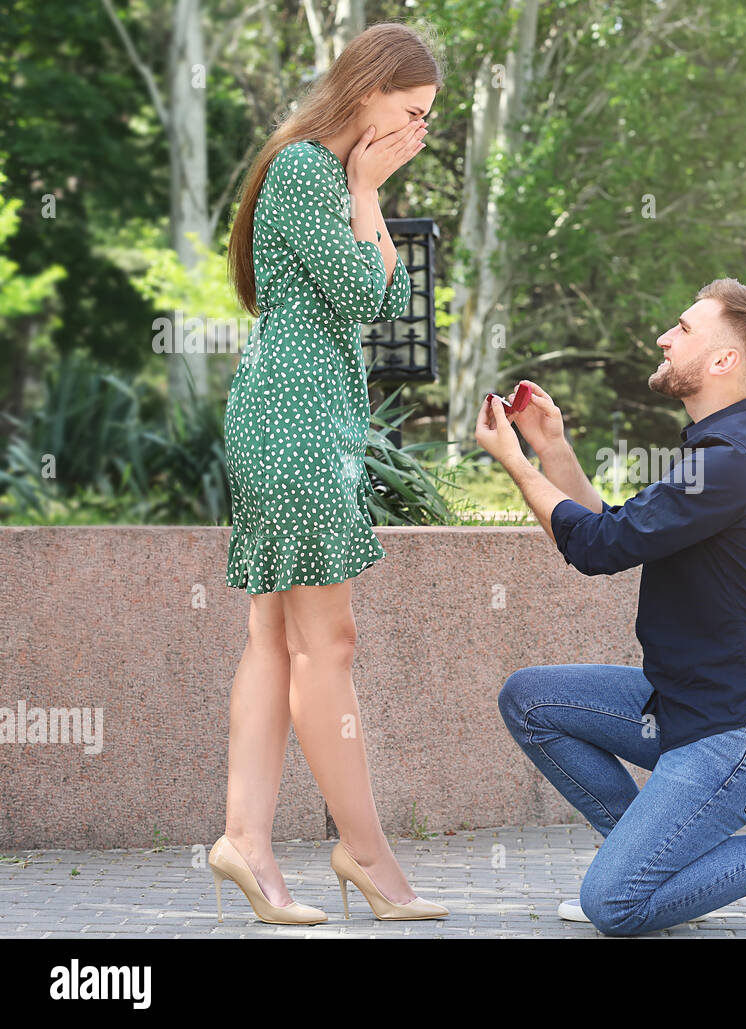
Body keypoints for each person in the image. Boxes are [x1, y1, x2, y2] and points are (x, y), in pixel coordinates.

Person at [475, 278, 746, 936]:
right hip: (694, 706)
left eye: (685, 329)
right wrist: (551, 447)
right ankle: (641, 863)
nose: (665, 337)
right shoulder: (719, 450)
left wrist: (514, 463)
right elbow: (612, 531)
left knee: (615, 905)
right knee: (531, 699)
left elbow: (598, 546)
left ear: (725, 361)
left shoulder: (731, 461)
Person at [213, 23, 447, 924]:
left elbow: (381, 291)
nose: (419, 130)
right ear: (369, 90)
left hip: (304, 421)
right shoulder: (313, 169)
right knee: (327, 643)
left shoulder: (330, 176)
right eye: (413, 110)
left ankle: (247, 839)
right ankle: (364, 851)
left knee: (276, 637)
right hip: (297, 425)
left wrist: (368, 195)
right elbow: (362, 293)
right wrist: (363, 184)